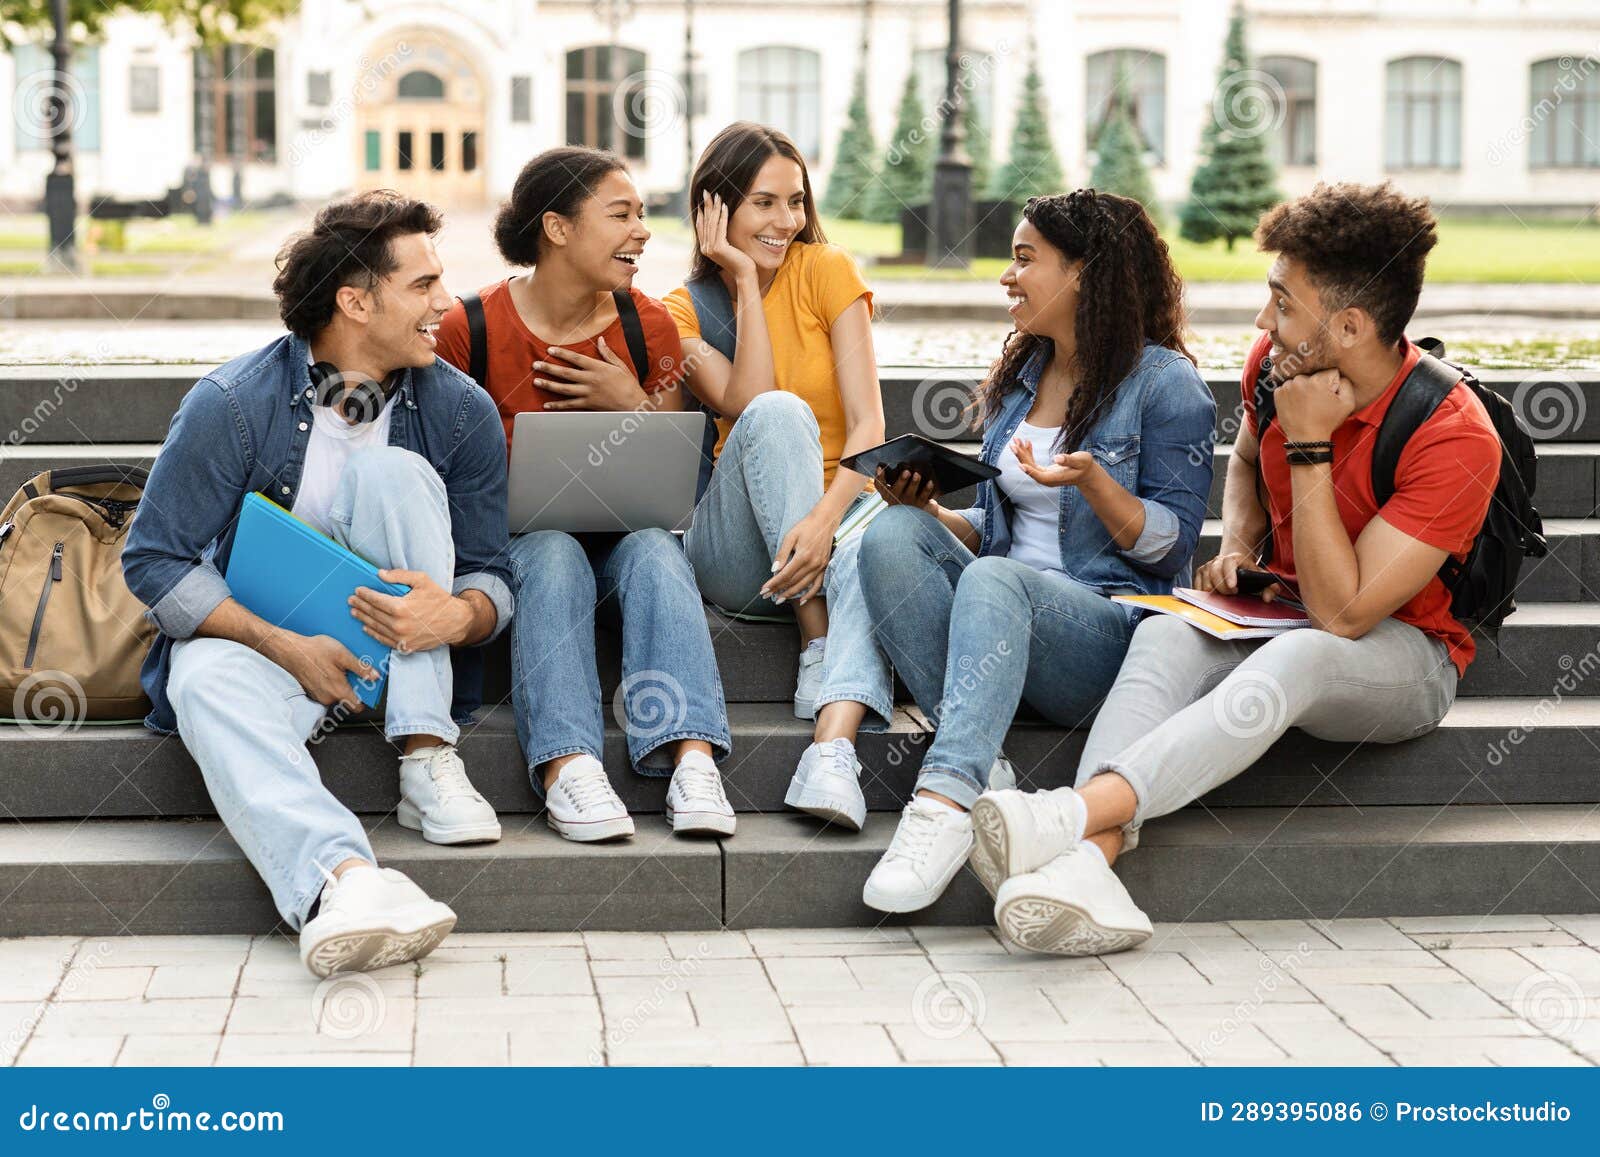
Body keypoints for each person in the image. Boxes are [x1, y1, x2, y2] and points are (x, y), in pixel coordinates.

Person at [972, 182, 1502, 955]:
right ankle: (1088, 867)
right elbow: (1250, 461)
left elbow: (1344, 615)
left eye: (1282, 304)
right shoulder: (1274, 364)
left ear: (1349, 325)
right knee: (1165, 630)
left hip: (1402, 654)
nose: (1262, 324)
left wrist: (1314, 442)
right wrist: (1239, 549)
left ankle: (1067, 818)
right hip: (1280, 610)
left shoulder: (1455, 437)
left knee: (1303, 655)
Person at [122, 191, 514, 977]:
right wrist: (283, 645)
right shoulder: (234, 403)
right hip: (281, 654)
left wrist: (457, 615)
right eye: (423, 285)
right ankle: (348, 881)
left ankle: (427, 753)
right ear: (355, 299)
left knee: (392, 474)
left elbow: (493, 580)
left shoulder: (461, 411)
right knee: (199, 676)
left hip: (405, 666)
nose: (446, 303)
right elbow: (154, 559)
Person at [856, 190, 1216, 913]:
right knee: (890, 533)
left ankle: (944, 804)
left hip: (1102, 636)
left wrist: (1099, 484)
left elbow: (1172, 548)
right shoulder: (1022, 380)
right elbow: (998, 538)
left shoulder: (1164, 383)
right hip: (1003, 617)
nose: (1007, 277)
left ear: (1085, 274)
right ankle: (986, 768)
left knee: (997, 579)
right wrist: (924, 509)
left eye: (1025, 260)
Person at [435, 146, 735, 841]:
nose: (643, 231)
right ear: (558, 228)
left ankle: (692, 757)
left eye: (643, 214)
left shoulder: (647, 326)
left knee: (659, 550)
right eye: (620, 214)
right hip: (526, 555)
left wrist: (631, 401)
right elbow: (446, 475)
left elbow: (677, 466)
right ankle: (569, 766)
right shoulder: (468, 329)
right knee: (548, 551)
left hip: (628, 541)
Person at [662, 122, 891, 832]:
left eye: (795, 201)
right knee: (779, 412)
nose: (786, 221)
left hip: (840, 520)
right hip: (737, 555)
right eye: (764, 203)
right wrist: (740, 281)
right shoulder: (678, 312)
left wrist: (823, 522)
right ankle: (816, 636)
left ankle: (832, 760)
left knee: (874, 545)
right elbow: (749, 402)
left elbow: (869, 428)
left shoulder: (827, 271)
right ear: (715, 209)